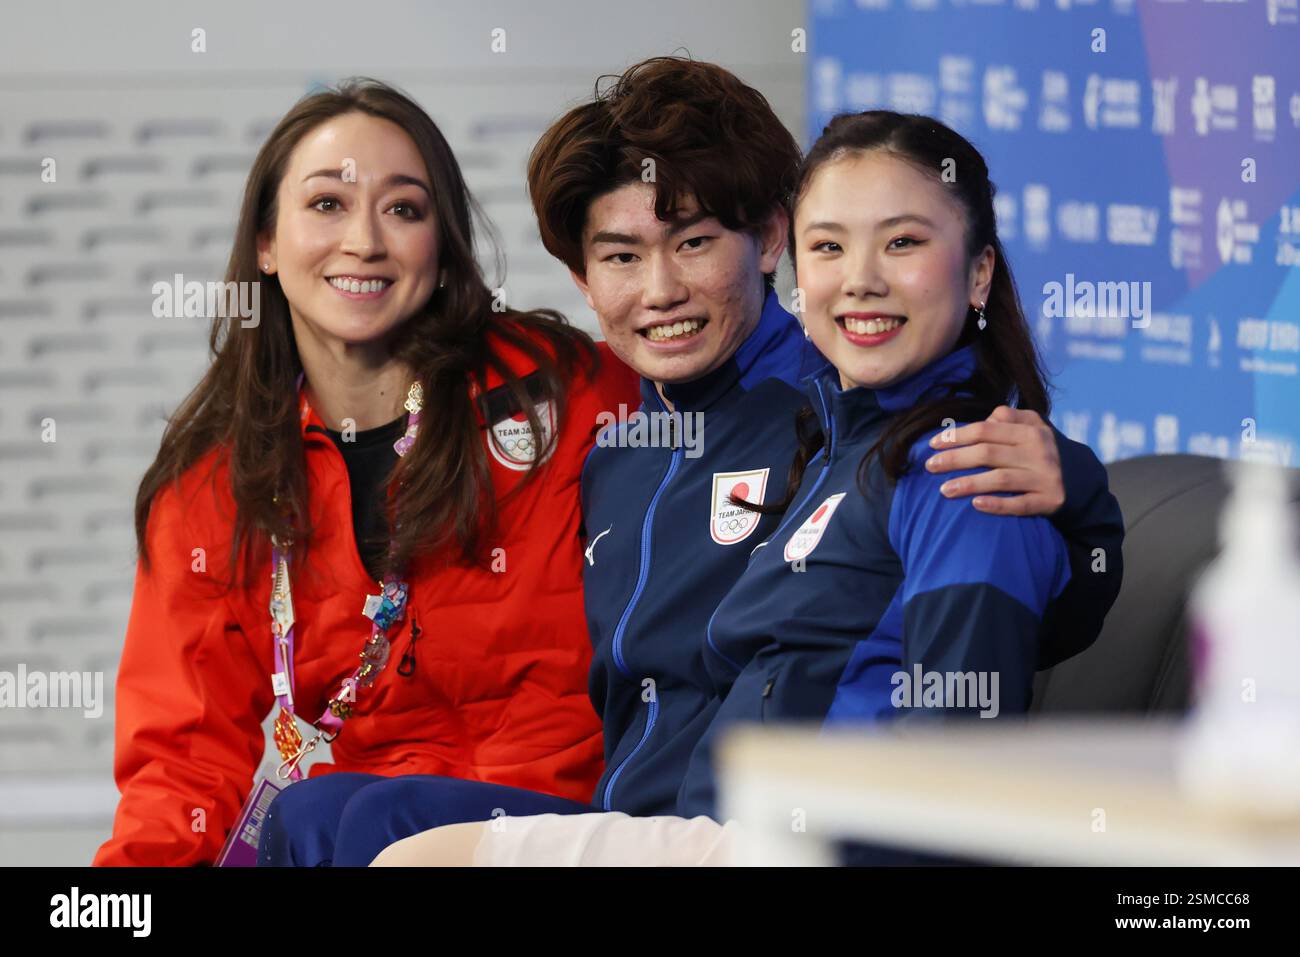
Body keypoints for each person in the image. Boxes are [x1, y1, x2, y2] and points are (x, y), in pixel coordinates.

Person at [306, 59, 1123, 867]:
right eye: (621, 257)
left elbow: (1001, 626)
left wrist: (1079, 494)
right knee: (326, 813)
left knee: (388, 838)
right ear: (582, 280)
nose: (661, 290)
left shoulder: (865, 414)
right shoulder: (632, 436)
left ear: (768, 241)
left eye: (693, 243)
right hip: (648, 820)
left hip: (748, 838)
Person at [93, 78, 639, 867]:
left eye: (404, 209)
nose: (365, 242)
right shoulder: (213, 480)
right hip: (341, 840)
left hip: (556, 828)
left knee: (334, 814)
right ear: (266, 245)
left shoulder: (567, 393)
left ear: (441, 245)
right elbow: (185, 760)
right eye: (326, 205)